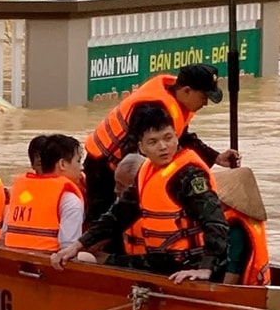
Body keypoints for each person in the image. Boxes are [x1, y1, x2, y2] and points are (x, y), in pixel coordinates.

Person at [53, 105, 229, 284]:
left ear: (176, 136)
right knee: (86, 257)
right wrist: (78, 244)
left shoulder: (190, 175)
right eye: (153, 142)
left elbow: (214, 221)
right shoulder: (145, 172)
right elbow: (117, 215)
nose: (163, 147)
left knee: (93, 261)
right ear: (141, 147)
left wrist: (206, 268)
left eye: (168, 138)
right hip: (159, 262)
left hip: (189, 265)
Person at [82, 63, 241, 226]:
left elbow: (183, 137)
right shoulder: (152, 108)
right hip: (103, 168)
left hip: (119, 164)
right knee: (106, 223)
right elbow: (131, 153)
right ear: (187, 90)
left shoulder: (177, 98)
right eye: (203, 97)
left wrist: (216, 157)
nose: (206, 103)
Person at [3, 134, 86, 252]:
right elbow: (68, 249)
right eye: (78, 161)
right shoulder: (70, 200)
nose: (81, 167)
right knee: (90, 258)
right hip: (48, 263)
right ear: (62, 164)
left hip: (14, 258)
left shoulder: (24, 194)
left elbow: (3, 236)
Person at [215, 167, 272, 286]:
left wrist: (221, 295)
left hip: (240, 287)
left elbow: (234, 270)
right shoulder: (245, 220)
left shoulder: (236, 230)